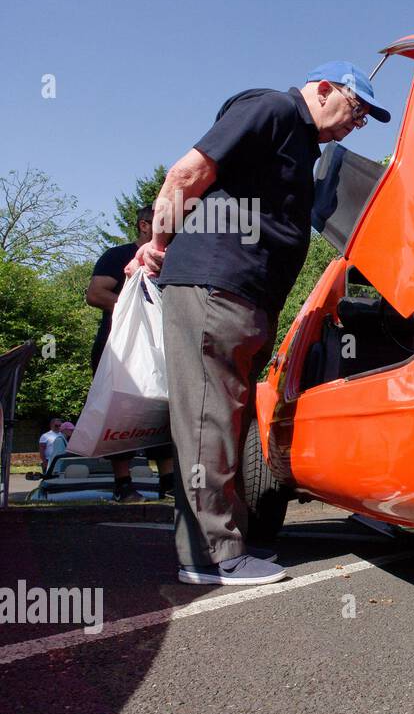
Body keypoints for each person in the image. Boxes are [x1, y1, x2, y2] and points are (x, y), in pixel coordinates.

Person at [126, 61, 389, 585]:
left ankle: (228, 544)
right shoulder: (271, 107)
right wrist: (157, 243)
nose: (354, 124)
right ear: (322, 89)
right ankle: (209, 557)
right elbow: (187, 172)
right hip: (215, 285)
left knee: (227, 419)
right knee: (209, 421)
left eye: (362, 120)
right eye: (355, 110)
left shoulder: (301, 144)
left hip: (245, 297)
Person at [86, 204, 176, 502]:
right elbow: (95, 293)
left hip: (161, 346)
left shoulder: (171, 260)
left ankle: (168, 481)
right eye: (162, 222)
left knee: (164, 406)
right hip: (120, 347)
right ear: (144, 225)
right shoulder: (116, 256)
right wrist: (136, 307)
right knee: (120, 408)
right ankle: (123, 485)